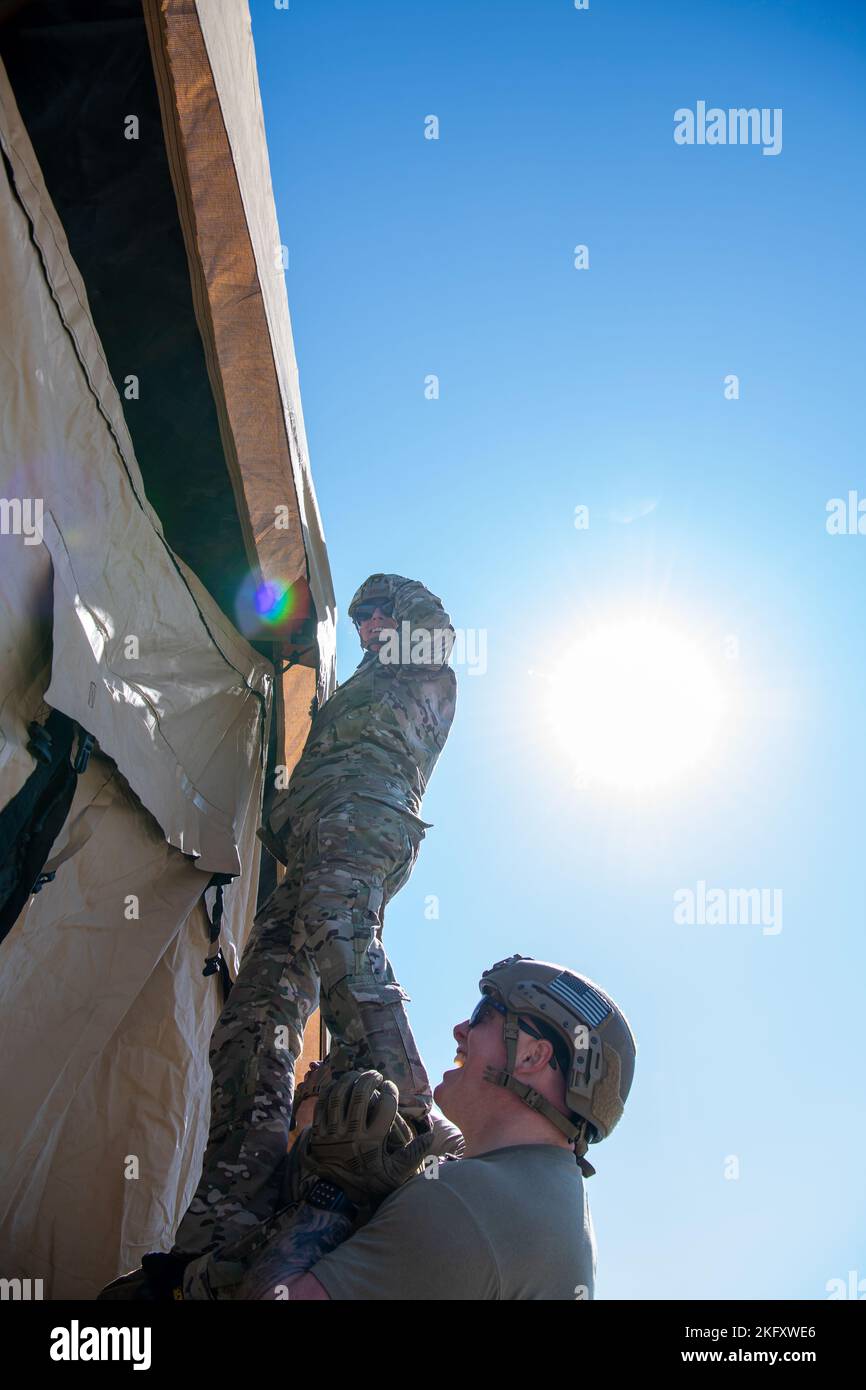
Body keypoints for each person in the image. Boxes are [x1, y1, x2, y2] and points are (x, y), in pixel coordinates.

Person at [98, 573, 456, 1298]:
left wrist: (352, 609)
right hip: (315, 838)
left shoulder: (425, 660)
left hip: (362, 819)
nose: (367, 630)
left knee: (344, 938)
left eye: (377, 615)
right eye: (360, 621)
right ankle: (218, 1224)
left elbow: (430, 629)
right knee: (252, 1025)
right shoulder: (366, 676)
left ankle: (413, 1122)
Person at [182, 954, 637, 1302]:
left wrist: (334, 1193)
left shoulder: (468, 1205)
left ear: (531, 1057)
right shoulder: (545, 1196)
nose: (460, 1029)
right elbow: (433, 1133)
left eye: (483, 1014)